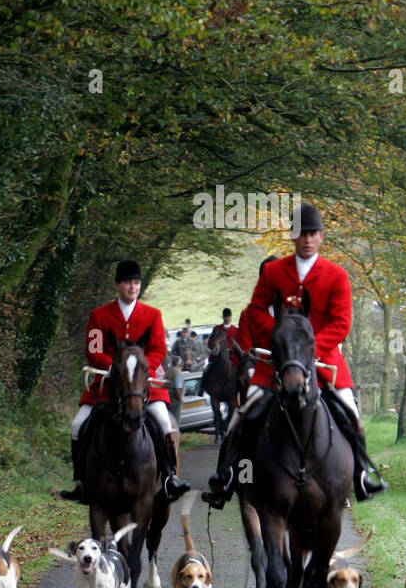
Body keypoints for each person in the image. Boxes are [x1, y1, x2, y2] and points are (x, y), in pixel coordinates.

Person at [203, 204, 387, 507]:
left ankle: (362, 476)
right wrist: (279, 338)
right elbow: (255, 311)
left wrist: (310, 347)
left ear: (321, 236)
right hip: (277, 365)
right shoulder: (274, 272)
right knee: (242, 414)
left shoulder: (337, 276)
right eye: (301, 234)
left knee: (351, 414)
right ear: (293, 236)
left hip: (324, 363)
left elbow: (341, 323)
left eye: (313, 234)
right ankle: (227, 477)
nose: (307, 239)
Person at [67, 259, 190, 502]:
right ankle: (81, 480)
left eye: (136, 282)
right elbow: (94, 351)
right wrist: (116, 368)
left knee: (165, 424)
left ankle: (169, 476)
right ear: (117, 285)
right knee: (77, 425)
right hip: (107, 386)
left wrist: (141, 371)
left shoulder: (153, 315)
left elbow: (158, 350)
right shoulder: (98, 315)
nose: (132, 287)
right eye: (127, 282)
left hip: (146, 386)